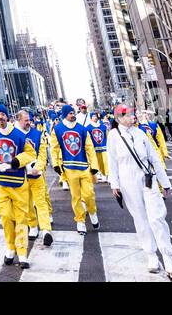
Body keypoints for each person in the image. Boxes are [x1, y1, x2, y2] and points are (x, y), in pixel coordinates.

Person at [106, 105, 172, 279]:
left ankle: (168, 258)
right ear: (119, 118)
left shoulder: (140, 134)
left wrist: (164, 182)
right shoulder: (113, 136)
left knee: (157, 217)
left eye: (132, 114)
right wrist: (114, 184)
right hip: (127, 181)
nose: (132, 117)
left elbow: (154, 157)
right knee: (140, 218)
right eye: (128, 115)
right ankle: (151, 255)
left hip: (148, 178)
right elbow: (112, 161)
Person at [0, 103, 37, 269]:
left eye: (3, 114)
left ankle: (22, 252)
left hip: (18, 182)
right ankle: (10, 248)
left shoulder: (18, 134)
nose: (0, 117)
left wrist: (16, 161)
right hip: (1, 183)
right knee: (5, 217)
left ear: (8, 116)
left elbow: (30, 153)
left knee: (21, 218)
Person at [50, 103, 99, 234]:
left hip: (84, 167)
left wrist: (94, 165)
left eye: (73, 113)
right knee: (76, 197)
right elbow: (54, 148)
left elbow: (90, 148)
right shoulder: (58, 129)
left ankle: (93, 212)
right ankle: (80, 221)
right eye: (70, 113)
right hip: (69, 168)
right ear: (65, 115)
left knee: (89, 194)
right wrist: (55, 164)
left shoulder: (82, 129)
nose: (73, 115)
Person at [17, 109, 54, 248]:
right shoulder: (15, 135)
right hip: (21, 175)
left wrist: (38, 167)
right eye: (25, 120)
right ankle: (32, 225)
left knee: (41, 202)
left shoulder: (38, 134)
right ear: (19, 120)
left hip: (36, 174)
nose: (28, 122)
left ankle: (46, 230)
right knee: (26, 202)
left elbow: (43, 154)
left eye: (29, 120)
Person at [86, 111, 110, 178]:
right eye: (93, 116)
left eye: (96, 116)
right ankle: (99, 173)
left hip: (103, 146)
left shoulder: (103, 126)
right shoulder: (88, 128)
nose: (95, 117)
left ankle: (106, 174)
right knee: (97, 161)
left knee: (105, 161)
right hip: (94, 147)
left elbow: (107, 135)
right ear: (91, 118)